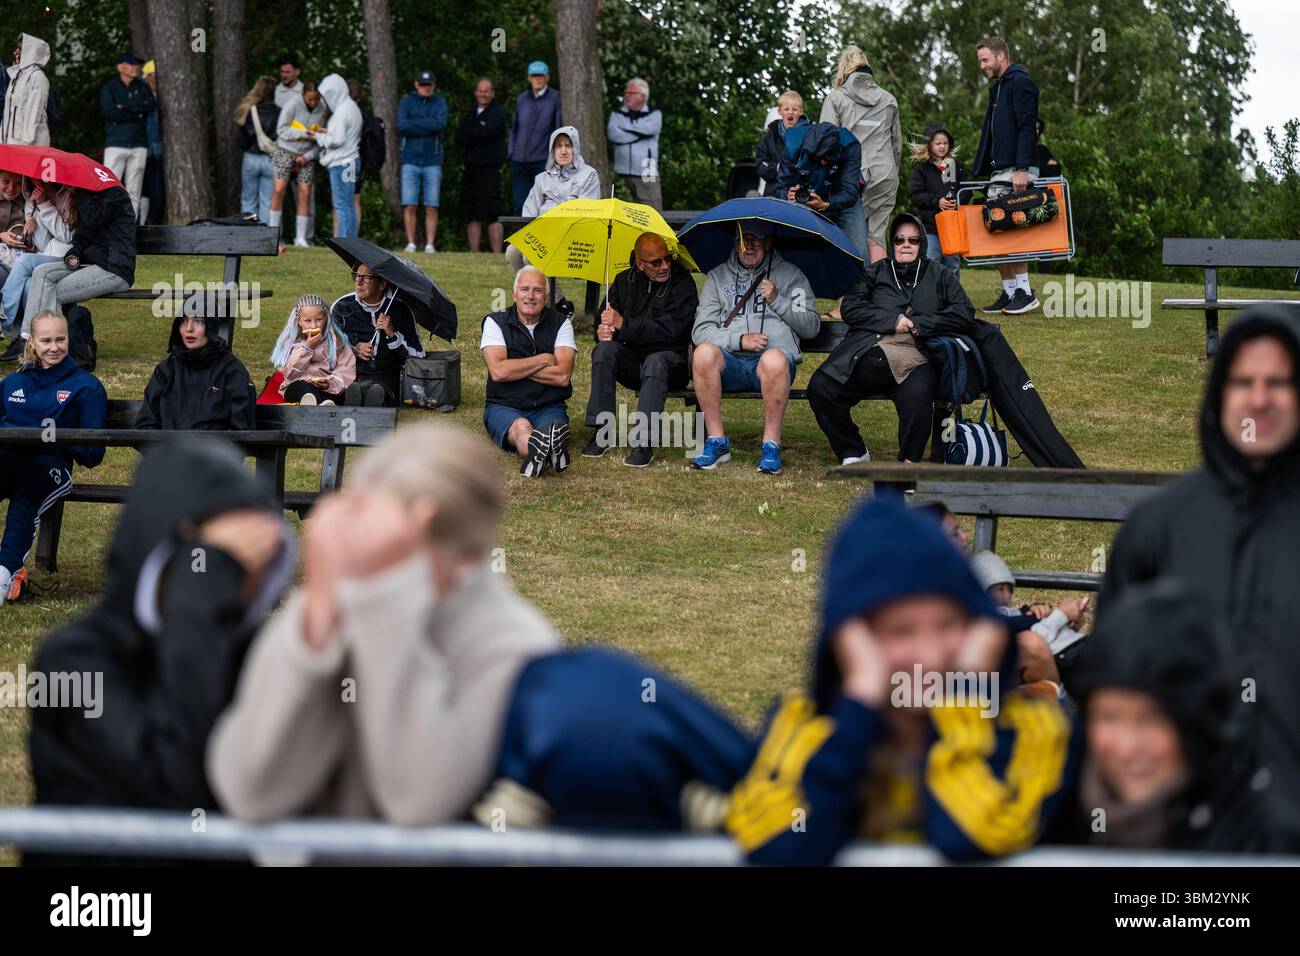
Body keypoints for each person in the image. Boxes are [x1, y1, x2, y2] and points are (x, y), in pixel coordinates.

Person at [207, 422, 561, 825]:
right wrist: (316, 621)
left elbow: (417, 802)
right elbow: (251, 792)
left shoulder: (512, 644)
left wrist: (385, 598)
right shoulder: (341, 599)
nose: (356, 547)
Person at [724, 495, 1073, 865]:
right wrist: (858, 707)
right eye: (901, 631)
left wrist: (967, 694)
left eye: (947, 625)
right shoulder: (799, 727)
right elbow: (777, 848)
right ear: (850, 639)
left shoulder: (1033, 730)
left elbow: (976, 836)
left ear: (981, 627)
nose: (930, 656)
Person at [28, 441, 293, 855]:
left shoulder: (247, 651)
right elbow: (179, 785)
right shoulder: (73, 662)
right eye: (226, 566)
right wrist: (200, 598)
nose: (242, 587)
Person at [1101, 304, 1300, 837]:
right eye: (1243, 381)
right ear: (1219, 392)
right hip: (1179, 845)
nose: (1260, 398)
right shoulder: (1156, 528)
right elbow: (1110, 689)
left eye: (1279, 381)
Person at [1049, 580, 1298, 853]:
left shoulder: (1266, 832)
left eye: (1152, 719)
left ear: (1203, 718)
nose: (1128, 746)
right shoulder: (1046, 804)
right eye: (1109, 717)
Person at [807, 213, 965, 465]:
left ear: (921, 244)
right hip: (868, 353)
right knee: (821, 387)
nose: (906, 244)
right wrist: (892, 320)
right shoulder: (876, 272)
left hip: (916, 359)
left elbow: (962, 312)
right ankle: (853, 452)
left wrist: (922, 323)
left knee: (918, 398)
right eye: (900, 239)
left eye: (913, 240)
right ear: (892, 243)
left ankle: (908, 463)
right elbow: (851, 307)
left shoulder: (940, 275)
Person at [690, 221, 819, 474]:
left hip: (773, 368)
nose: (748, 246)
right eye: (742, 239)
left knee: (773, 359)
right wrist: (738, 340)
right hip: (732, 364)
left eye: (756, 240)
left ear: (769, 243)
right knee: (703, 353)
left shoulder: (792, 275)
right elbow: (700, 330)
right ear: (734, 242)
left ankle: (771, 446)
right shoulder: (717, 277)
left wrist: (777, 299)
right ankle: (717, 442)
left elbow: (811, 326)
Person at [0, 310, 105, 606]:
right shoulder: (12, 383)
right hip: (9, 458)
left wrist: (58, 438)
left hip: (50, 466)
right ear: (32, 341)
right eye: (46, 340)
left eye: (60, 339)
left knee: (25, 499)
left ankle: (4, 574)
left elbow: (94, 453)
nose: (54, 346)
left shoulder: (86, 386)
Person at [582, 232, 698, 467]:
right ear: (639, 263)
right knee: (603, 351)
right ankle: (601, 431)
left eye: (667, 259)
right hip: (634, 363)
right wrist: (602, 331)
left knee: (656, 361)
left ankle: (643, 442)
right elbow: (604, 320)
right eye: (656, 262)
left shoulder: (683, 284)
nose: (665, 266)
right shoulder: (623, 281)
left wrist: (624, 324)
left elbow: (670, 330)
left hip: (672, 363)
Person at [8, 182, 135, 360]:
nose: (66, 186)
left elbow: (93, 218)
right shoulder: (89, 199)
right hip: (89, 264)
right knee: (42, 271)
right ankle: (26, 337)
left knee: (52, 292)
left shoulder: (115, 196)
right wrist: (73, 255)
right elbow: (82, 237)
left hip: (115, 269)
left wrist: (81, 191)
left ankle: (53, 353)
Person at [481, 266, 575, 478]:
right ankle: (547, 451)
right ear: (514, 294)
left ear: (547, 296)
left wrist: (514, 366)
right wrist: (543, 359)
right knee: (521, 428)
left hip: (548, 404)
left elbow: (561, 376)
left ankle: (546, 449)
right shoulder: (495, 322)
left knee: (551, 428)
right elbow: (498, 372)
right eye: (524, 289)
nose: (530, 296)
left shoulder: (561, 324)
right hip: (504, 404)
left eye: (537, 291)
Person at [972, 36, 1040, 315]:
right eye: (980, 61)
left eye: (985, 60)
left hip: (1017, 170)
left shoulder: (1021, 82)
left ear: (1001, 56)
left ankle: (1025, 292)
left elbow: (1027, 127)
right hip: (999, 169)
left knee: (1013, 232)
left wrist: (1023, 169)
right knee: (997, 232)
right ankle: (1011, 292)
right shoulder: (998, 88)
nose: (982, 66)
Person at [820, 46, 901, 263]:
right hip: (885, 173)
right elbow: (896, 145)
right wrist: (894, 171)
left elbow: (825, 143)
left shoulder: (835, 99)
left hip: (853, 178)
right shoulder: (888, 99)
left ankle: (855, 295)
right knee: (876, 237)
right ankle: (883, 294)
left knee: (852, 239)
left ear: (843, 67)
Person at [972, 549, 1089, 686]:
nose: (1007, 595)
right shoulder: (987, 622)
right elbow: (1033, 640)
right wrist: (1061, 615)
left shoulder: (1021, 612)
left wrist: (1069, 623)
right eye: (1000, 589)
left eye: (1009, 589)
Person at [136, 313, 256, 430]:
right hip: (167, 448)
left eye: (198, 321)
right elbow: (145, 425)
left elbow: (243, 432)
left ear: (210, 326)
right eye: (184, 321)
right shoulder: (166, 369)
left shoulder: (232, 371)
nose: (189, 328)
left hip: (216, 449)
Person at [505, 126, 601, 272]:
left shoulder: (589, 175)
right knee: (512, 252)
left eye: (568, 146)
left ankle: (553, 296)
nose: (563, 151)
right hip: (542, 235)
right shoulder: (541, 179)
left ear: (576, 148)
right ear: (552, 150)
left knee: (531, 257)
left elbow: (587, 212)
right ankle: (534, 293)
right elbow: (529, 212)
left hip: (574, 239)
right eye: (558, 146)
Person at [331, 261, 424, 407]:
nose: (359, 282)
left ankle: (371, 396)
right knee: (353, 387)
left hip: (387, 374)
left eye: (366, 278)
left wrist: (392, 334)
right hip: (352, 372)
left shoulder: (400, 309)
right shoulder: (342, 307)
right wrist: (353, 350)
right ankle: (358, 394)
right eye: (356, 276)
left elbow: (418, 355)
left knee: (379, 390)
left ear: (382, 284)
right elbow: (328, 348)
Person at [773, 121, 866, 258]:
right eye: (819, 158)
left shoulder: (850, 146)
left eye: (828, 159)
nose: (823, 163)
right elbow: (781, 186)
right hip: (803, 201)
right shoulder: (792, 145)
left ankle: (862, 277)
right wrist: (788, 195)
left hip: (841, 198)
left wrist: (825, 205)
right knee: (788, 248)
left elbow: (850, 192)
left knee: (860, 251)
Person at [0, 179, 74, 345]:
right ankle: (25, 341)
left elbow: (67, 237)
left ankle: (3, 324)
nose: (40, 183)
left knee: (25, 264)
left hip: (69, 260)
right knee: (27, 285)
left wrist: (45, 204)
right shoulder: (30, 199)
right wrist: (30, 232)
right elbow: (42, 244)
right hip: (41, 258)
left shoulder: (67, 197)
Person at [270, 293, 355, 406]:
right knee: (302, 388)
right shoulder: (290, 342)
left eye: (318, 319)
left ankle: (324, 405)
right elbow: (290, 372)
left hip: (327, 389)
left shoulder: (336, 342)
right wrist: (307, 348)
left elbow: (345, 370)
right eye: (308, 321)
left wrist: (330, 383)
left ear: (325, 318)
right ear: (299, 321)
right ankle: (316, 405)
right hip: (298, 386)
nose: (313, 325)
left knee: (336, 394)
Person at [397, 70, 448, 254]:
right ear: (416, 84)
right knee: (409, 204)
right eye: (423, 84)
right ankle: (411, 243)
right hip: (410, 160)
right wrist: (428, 124)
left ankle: (429, 244)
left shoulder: (440, 102)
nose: (426, 88)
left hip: (432, 161)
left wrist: (415, 124)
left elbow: (440, 124)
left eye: (429, 85)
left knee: (431, 205)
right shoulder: (406, 102)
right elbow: (402, 126)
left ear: (433, 86)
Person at [99, 52, 156, 218]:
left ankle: (130, 227)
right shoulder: (110, 87)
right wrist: (136, 112)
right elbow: (109, 111)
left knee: (134, 190)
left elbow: (150, 106)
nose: (135, 68)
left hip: (139, 145)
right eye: (131, 64)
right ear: (120, 67)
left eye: (136, 64)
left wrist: (123, 107)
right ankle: (108, 226)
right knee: (109, 187)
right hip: (116, 145)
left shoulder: (142, 87)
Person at [270, 80, 325, 249]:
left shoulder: (322, 109)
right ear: (303, 95)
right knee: (279, 190)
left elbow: (321, 139)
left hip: (306, 155)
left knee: (305, 193)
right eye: (310, 99)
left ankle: (300, 238)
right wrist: (305, 133)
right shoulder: (292, 105)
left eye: (316, 99)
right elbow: (282, 130)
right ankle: (274, 236)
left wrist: (308, 156)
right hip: (285, 151)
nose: (313, 103)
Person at [908, 122, 965, 276]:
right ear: (929, 144)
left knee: (952, 263)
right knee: (932, 261)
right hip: (931, 226)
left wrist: (957, 201)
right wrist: (937, 201)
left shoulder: (956, 166)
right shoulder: (922, 169)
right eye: (938, 143)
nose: (942, 146)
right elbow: (915, 195)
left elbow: (966, 190)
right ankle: (932, 297)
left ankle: (953, 297)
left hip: (952, 225)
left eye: (945, 143)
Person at [458, 77, 507, 254]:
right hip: (471, 169)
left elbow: (487, 133)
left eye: (486, 91)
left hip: (490, 169)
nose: (483, 94)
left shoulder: (498, 113)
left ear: (492, 93)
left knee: (492, 212)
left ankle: (496, 253)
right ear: (476, 92)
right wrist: (478, 133)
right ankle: (474, 253)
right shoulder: (470, 113)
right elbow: (461, 137)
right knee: (471, 212)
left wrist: (475, 134)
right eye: (480, 90)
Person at [311, 74, 361, 239]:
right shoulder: (352, 106)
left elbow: (337, 140)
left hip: (341, 163)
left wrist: (318, 137)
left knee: (341, 204)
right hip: (351, 160)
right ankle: (351, 240)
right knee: (348, 204)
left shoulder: (341, 112)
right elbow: (345, 134)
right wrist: (327, 132)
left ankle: (345, 242)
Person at [508, 61, 562, 216]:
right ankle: (520, 240)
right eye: (534, 76)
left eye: (541, 76)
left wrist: (553, 158)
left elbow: (558, 129)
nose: (538, 79)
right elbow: (514, 128)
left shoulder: (555, 98)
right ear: (529, 78)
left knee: (542, 205)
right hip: (518, 162)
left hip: (542, 162)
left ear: (547, 78)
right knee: (520, 205)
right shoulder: (522, 99)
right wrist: (511, 153)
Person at [607, 76, 662, 209]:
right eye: (626, 93)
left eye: (631, 93)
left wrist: (625, 129)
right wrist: (639, 133)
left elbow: (650, 129)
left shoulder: (654, 114)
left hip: (647, 172)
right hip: (621, 172)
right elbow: (613, 135)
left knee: (652, 212)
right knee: (623, 213)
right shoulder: (617, 114)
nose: (627, 96)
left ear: (643, 96)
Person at [234, 76, 280, 226]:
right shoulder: (280, 113)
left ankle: (248, 234)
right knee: (267, 201)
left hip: (251, 158)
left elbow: (242, 138)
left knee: (248, 200)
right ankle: (265, 236)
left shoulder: (249, 111)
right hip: (271, 160)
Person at [1, 34, 50, 147]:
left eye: (20, 49)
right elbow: (8, 111)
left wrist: (26, 144)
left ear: (31, 52)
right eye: (16, 49)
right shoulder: (16, 76)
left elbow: (34, 112)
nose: (15, 53)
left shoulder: (37, 77)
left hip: (29, 147)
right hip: (11, 144)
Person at [755, 90, 807, 193]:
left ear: (801, 111)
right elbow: (760, 164)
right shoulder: (769, 138)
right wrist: (776, 168)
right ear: (780, 112)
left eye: (795, 109)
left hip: (799, 194)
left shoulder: (810, 135)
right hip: (772, 194)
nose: (790, 112)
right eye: (786, 109)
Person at [140, 60, 165, 225]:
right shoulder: (141, 96)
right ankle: (141, 224)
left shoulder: (160, 97)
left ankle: (151, 224)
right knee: (142, 192)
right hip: (143, 150)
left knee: (156, 194)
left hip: (155, 152)